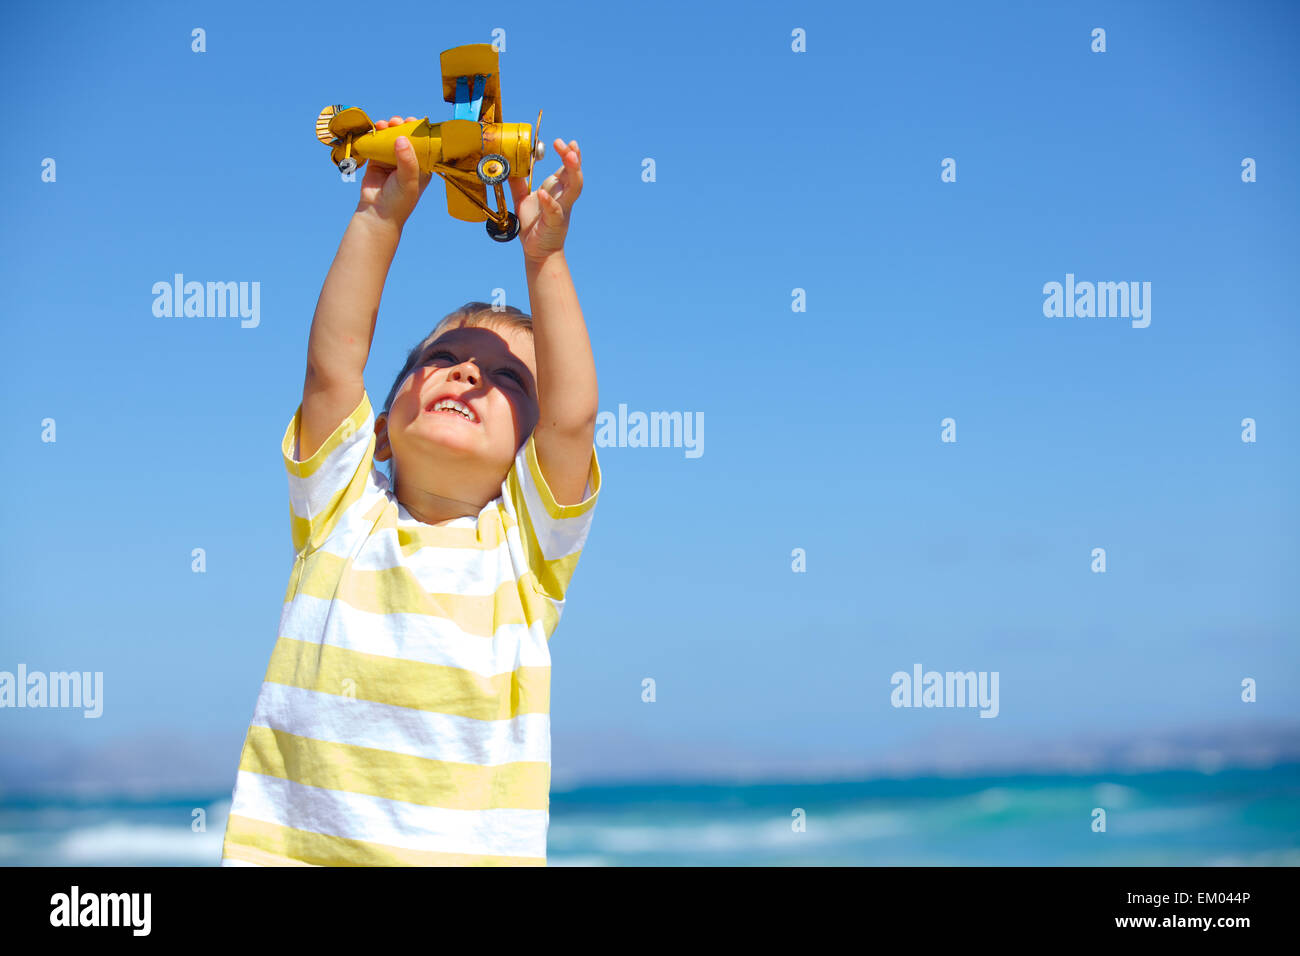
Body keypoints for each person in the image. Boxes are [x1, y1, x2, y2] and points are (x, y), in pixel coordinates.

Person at [220, 117, 602, 866]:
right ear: (383, 429)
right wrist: (379, 217)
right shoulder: (340, 513)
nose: (468, 374)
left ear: (527, 462)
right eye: (444, 358)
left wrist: (545, 258)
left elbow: (572, 418)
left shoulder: (523, 557)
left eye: (507, 379)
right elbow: (332, 370)